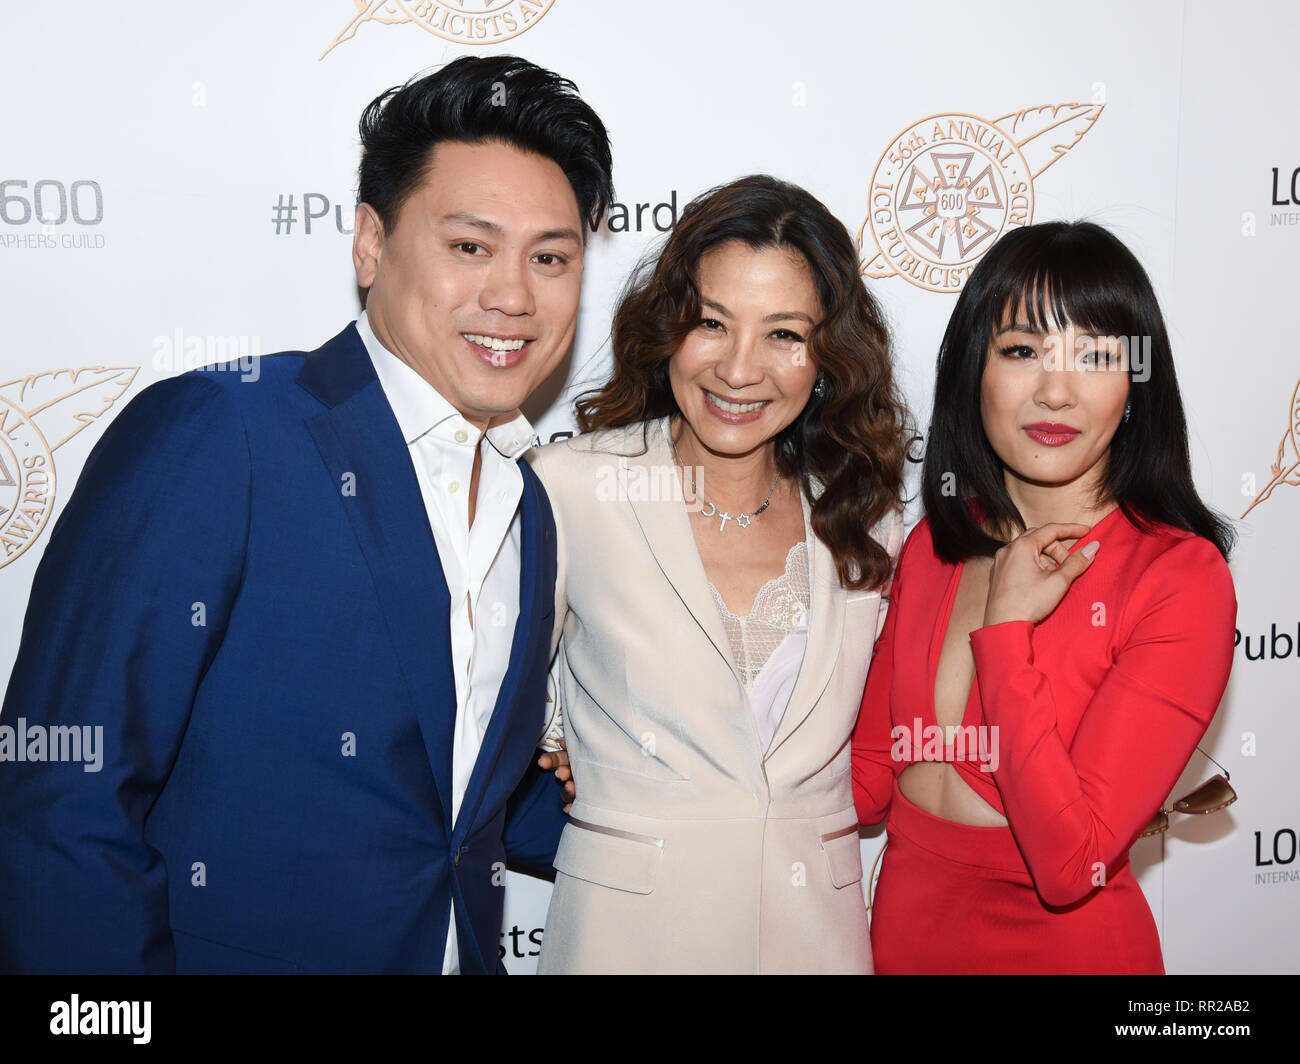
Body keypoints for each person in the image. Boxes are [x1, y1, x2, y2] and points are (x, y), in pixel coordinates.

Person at [0, 55, 612, 974]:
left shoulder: (531, 500)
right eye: (470, 246)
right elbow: (65, 793)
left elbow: (445, 795)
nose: (515, 296)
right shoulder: (225, 430)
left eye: (551, 258)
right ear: (371, 243)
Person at [529, 175, 909, 973]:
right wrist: (556, 733)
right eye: (712, 322)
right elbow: (479, 685)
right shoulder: (572, 487)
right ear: (668, 326)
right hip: (623, 942)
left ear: (827, 356)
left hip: (817, 940)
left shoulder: (865, 519)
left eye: (784, 334)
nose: (741, 370)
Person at [851, 220, 1237, 974]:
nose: (1055, 391)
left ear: (1135, 386)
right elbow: (864, 785)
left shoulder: (1177, 578)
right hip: (902, 943)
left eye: (1095, 356)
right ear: (975, 372)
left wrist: (1006, 629)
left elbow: (1072, 864)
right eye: (1022, 351)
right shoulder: (935, 544)